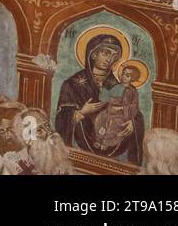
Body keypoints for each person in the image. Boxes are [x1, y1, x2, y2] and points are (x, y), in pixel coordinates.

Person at [54, 33, 145, 164]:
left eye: (114, 56)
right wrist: (81, 113)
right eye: (106, 53)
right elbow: (61, 119)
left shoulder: (119, 86)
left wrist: (133, 122)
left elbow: (134, 110)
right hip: (78, 152)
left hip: (115, 151)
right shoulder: (72, 84)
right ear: (93, 54)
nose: (110, 59)